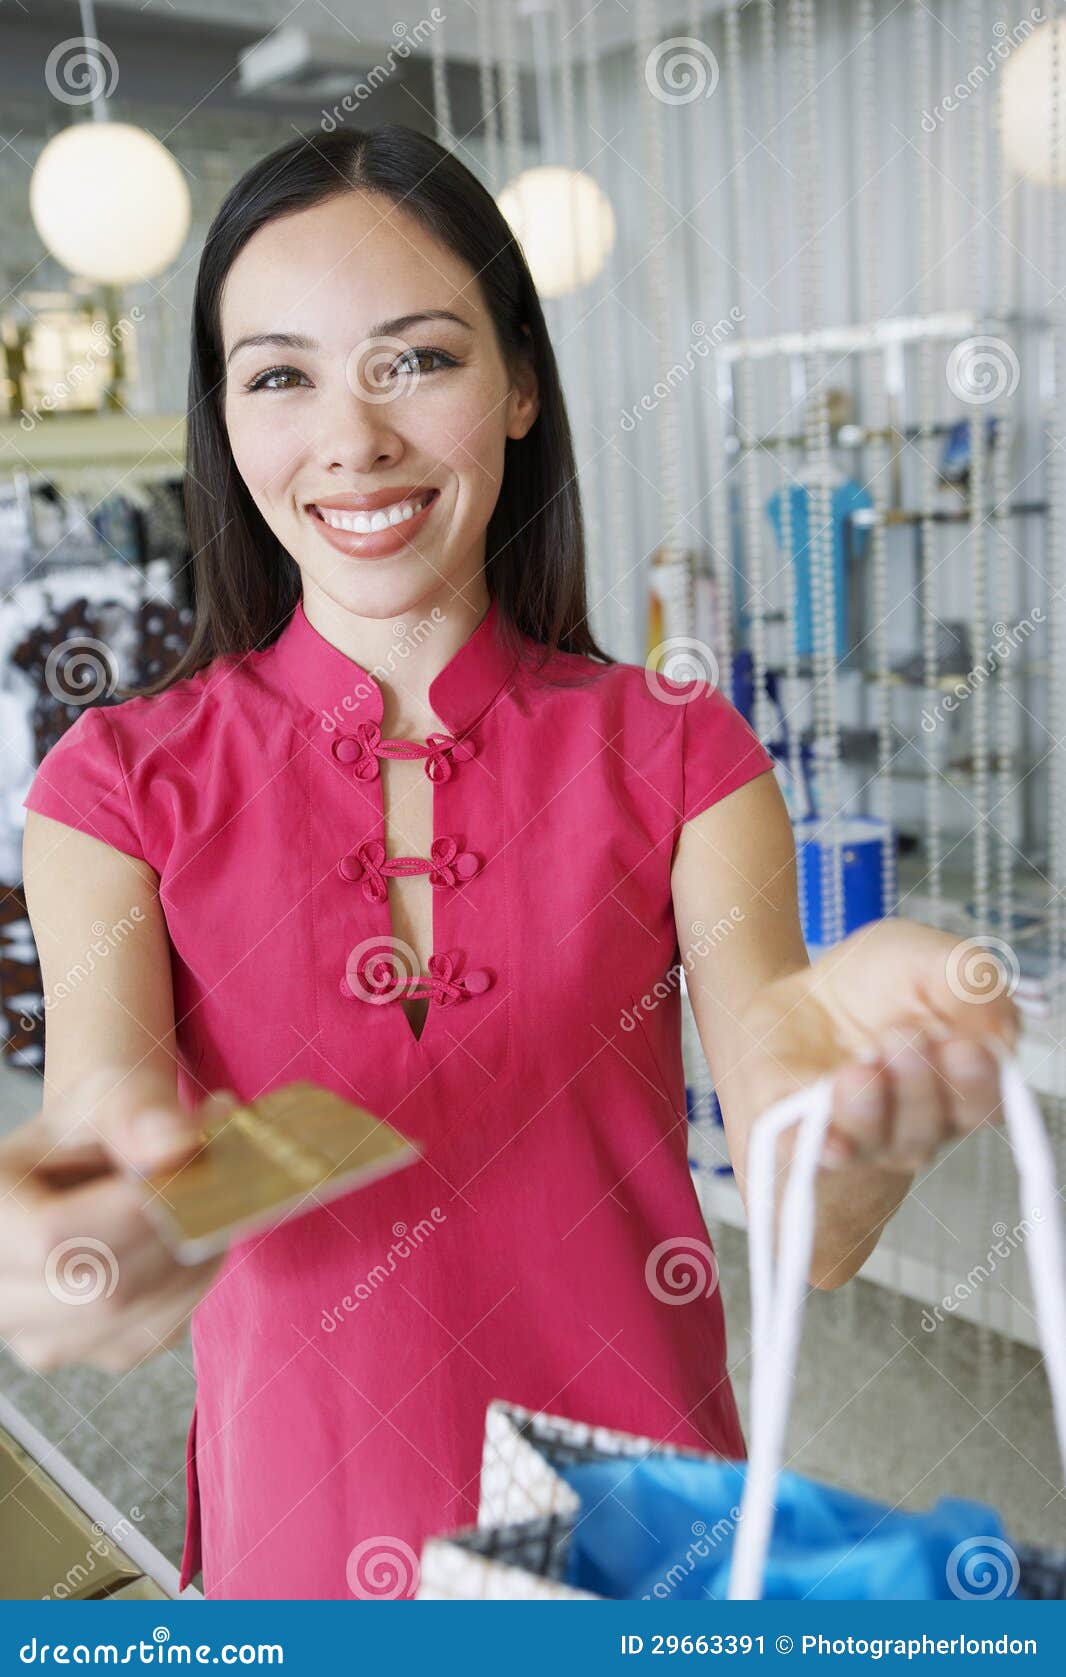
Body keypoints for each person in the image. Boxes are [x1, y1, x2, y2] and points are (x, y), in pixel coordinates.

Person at [4, 125, 1015, 1600]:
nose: (354, 438)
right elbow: (108, 1151)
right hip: (305, 1561)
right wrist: (78, 1245)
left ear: (522, 385)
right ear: (222, 419)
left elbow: (815, 1228)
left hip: (643, 1560)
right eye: (280, 376)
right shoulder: (117, 786)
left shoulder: (680, 751)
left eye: (416, 359)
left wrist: (871, 1113)